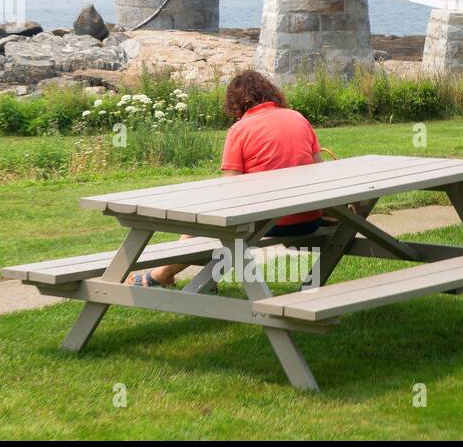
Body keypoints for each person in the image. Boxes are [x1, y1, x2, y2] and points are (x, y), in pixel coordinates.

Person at [126, 69, 325, 289]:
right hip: (310, 219)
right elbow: (319, 169)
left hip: (272, 223)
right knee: (216, 227)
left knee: (206, 223)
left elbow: (232, 191)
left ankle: (160, 275)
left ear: (237, 102)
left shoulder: (240, 130)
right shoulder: (298, 118)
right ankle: (190, 279)